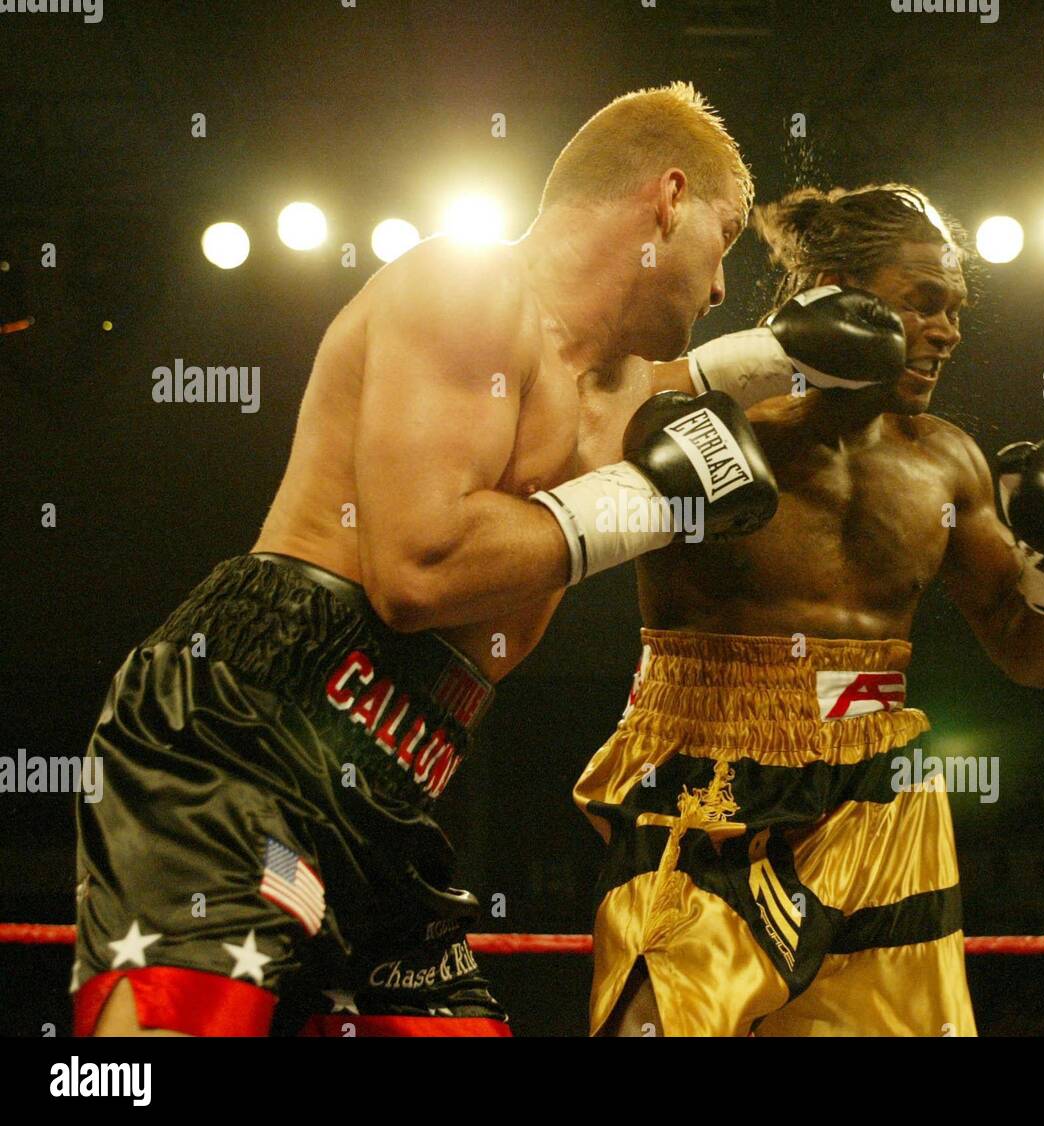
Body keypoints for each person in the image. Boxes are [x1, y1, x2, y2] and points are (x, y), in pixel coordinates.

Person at [73, 82, 798, 1037]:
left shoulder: (611, 387)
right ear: (667, 198)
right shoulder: (468, 289)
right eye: (726, 238)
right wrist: (657, 501)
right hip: (249, 727)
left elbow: (698, 394)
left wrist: (804, 355)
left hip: (396, 781)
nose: (717, 286)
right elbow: (416, 572)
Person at [574, 184, 1044, 1037]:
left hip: (884, 785)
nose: (947, 331)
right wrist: (764, 354)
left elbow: (1031, 655)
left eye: (957, 310)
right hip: (709, 759)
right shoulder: (715, 424)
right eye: (925, 304)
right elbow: (583, 409)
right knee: (657, 1021)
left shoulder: (947, 463)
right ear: (842, 293)